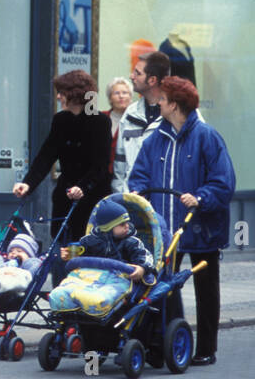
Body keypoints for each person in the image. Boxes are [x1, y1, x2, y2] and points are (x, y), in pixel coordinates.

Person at [128, 76, 235, 367]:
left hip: (200, 225)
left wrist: (200, 197)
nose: (157, 102)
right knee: (162, 284)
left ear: (174, 104)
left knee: (206, 287)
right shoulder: (155, 139)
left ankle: (206, 348)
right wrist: (137, 193)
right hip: (165, 228)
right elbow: (138, 174)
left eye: (162, 99)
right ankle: (167, 341)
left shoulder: (206, 136)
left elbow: (223, 182)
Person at [13, 70, 112, 278]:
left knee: (85, 250)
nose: (58, 97)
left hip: (91, 199)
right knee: (60, 252)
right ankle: (61, 298)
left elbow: (101, 165)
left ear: (74, 94)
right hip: (65, 197)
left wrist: (83, 187)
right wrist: (28, 184)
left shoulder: (100, 122)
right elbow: (46, 156)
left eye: (61, 92)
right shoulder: (60, 120)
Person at [113, 50, 170, 189]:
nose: (131, 76)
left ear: (152, 80)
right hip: (132, 201)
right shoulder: (130, 113)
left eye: (137, 73)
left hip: (164, 201)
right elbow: (119, 166)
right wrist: (122, 195)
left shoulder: (179, 113)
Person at [59, 199, 153, 283]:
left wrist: (142, 268)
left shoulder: (132, 242)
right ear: (108, 228)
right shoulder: (88, 241)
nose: (127, 226)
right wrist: (68, 255)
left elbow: (145, 256)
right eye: (122, 224)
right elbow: (79, 257)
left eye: (127, 222)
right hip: (93, 279)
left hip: (121, 279)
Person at [104, 76, 133, 192]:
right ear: (110, 98)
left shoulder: (136, 120)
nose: (121, 96)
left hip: (126, 177)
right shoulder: (102, 118)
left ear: (131, 97)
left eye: (125, 93)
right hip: (103, 177)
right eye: (116, 93)